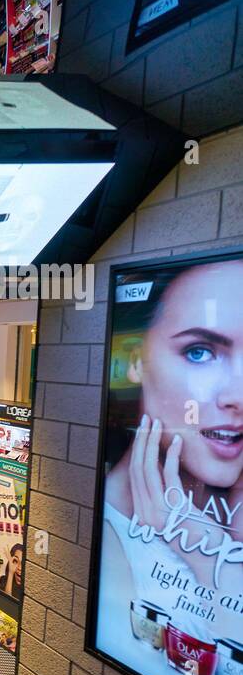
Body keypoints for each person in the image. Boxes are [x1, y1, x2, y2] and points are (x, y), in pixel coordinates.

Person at [101, 260, 243, 607]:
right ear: (135, 361)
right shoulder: (107, 542)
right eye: (199, 352)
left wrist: (198, 540)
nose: (237, 397)